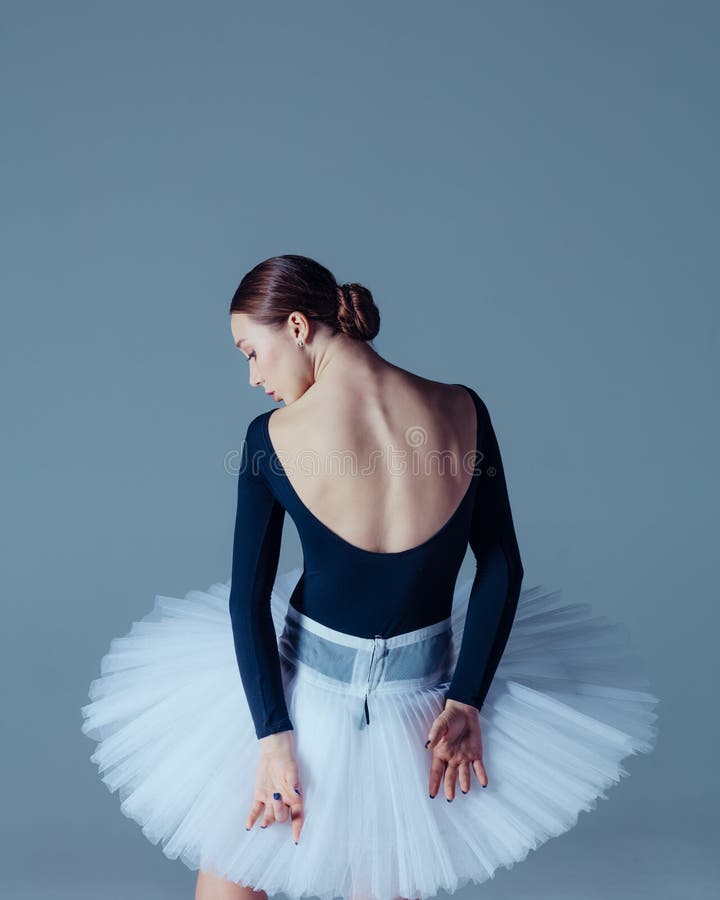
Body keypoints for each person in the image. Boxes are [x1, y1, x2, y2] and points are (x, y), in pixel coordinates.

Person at [81, 254, 660, 900]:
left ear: (297, 327)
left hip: (299, 698)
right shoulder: (462, 409)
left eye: (251, 351)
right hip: (422, 709)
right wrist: (467, 697)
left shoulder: (269, 438)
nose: (251, 376)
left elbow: (248, 601)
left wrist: (272, 738)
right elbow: (501, 565)